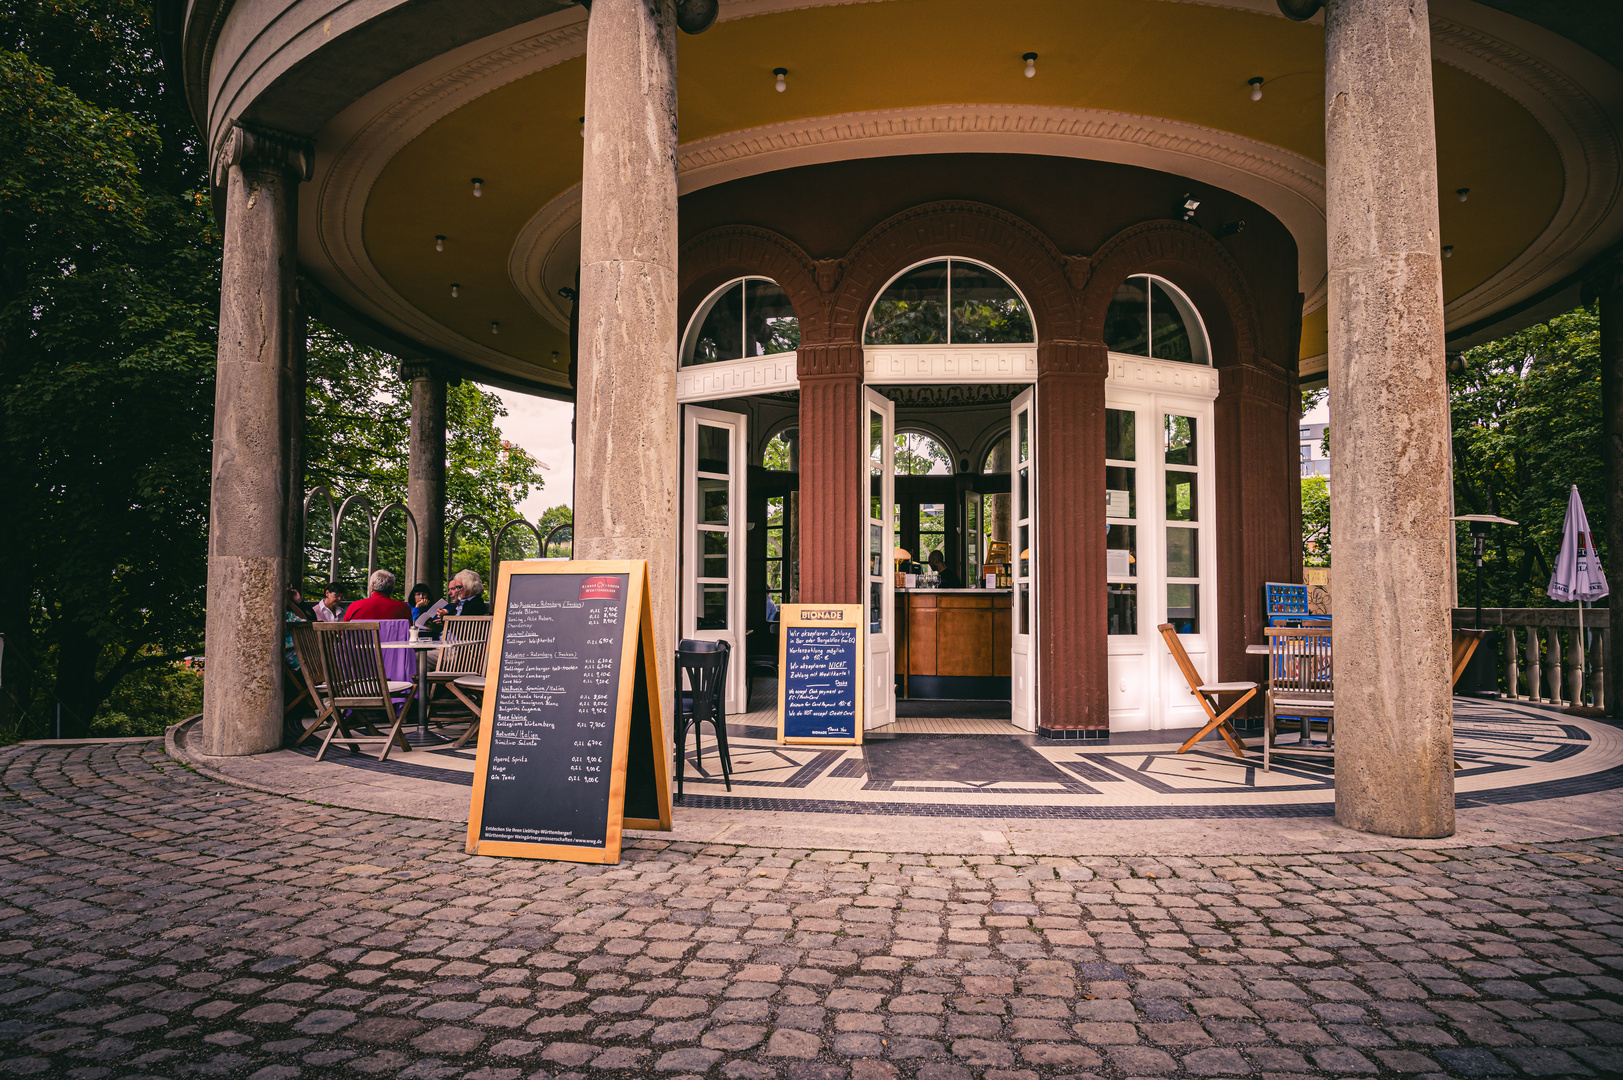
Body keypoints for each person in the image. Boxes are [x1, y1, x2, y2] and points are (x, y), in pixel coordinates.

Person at [342, 569, 412, 621]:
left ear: (371, 587)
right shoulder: (404, 608)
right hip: (394, 641)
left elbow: (344, 633)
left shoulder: (355, 607)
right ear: (392, 589)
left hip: (363, 641)